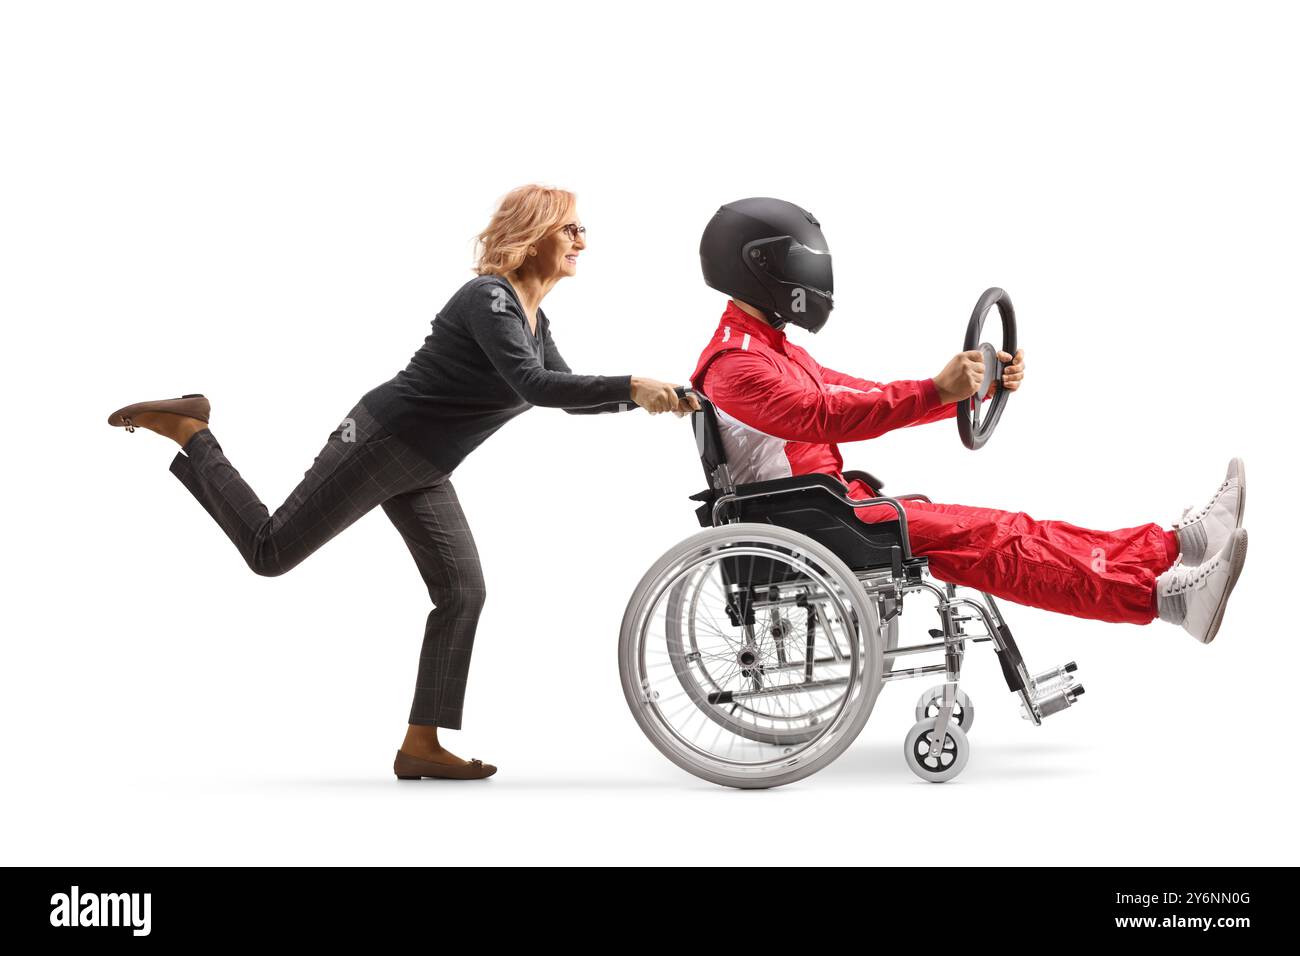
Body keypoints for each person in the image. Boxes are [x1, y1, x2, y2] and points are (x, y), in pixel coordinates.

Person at [107, 184, 698, 781]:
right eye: (569, 227)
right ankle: (191, 428)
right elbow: (535, 385)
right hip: (384, 440)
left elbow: (565, 397)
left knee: (463, 593)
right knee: (269, 552)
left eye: (581, 228)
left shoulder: (533, 319)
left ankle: (421, 743)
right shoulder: (488, 299)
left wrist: (652, 399)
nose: (582, 239)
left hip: (425, 464)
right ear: (532, 234)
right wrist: (630, 384)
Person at [689, 197, 1246, 640]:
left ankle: (1176, 547)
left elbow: (868, 396)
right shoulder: (735, 364)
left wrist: (965, 390)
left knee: (1018, 529)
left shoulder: (770, 348)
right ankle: (1163, 600)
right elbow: (827, 416)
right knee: (1001, 540)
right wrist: (937, 389)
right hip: (812, 527)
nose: (810, 275)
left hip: (832, 511)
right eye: (798, 262)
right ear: (756, 266)